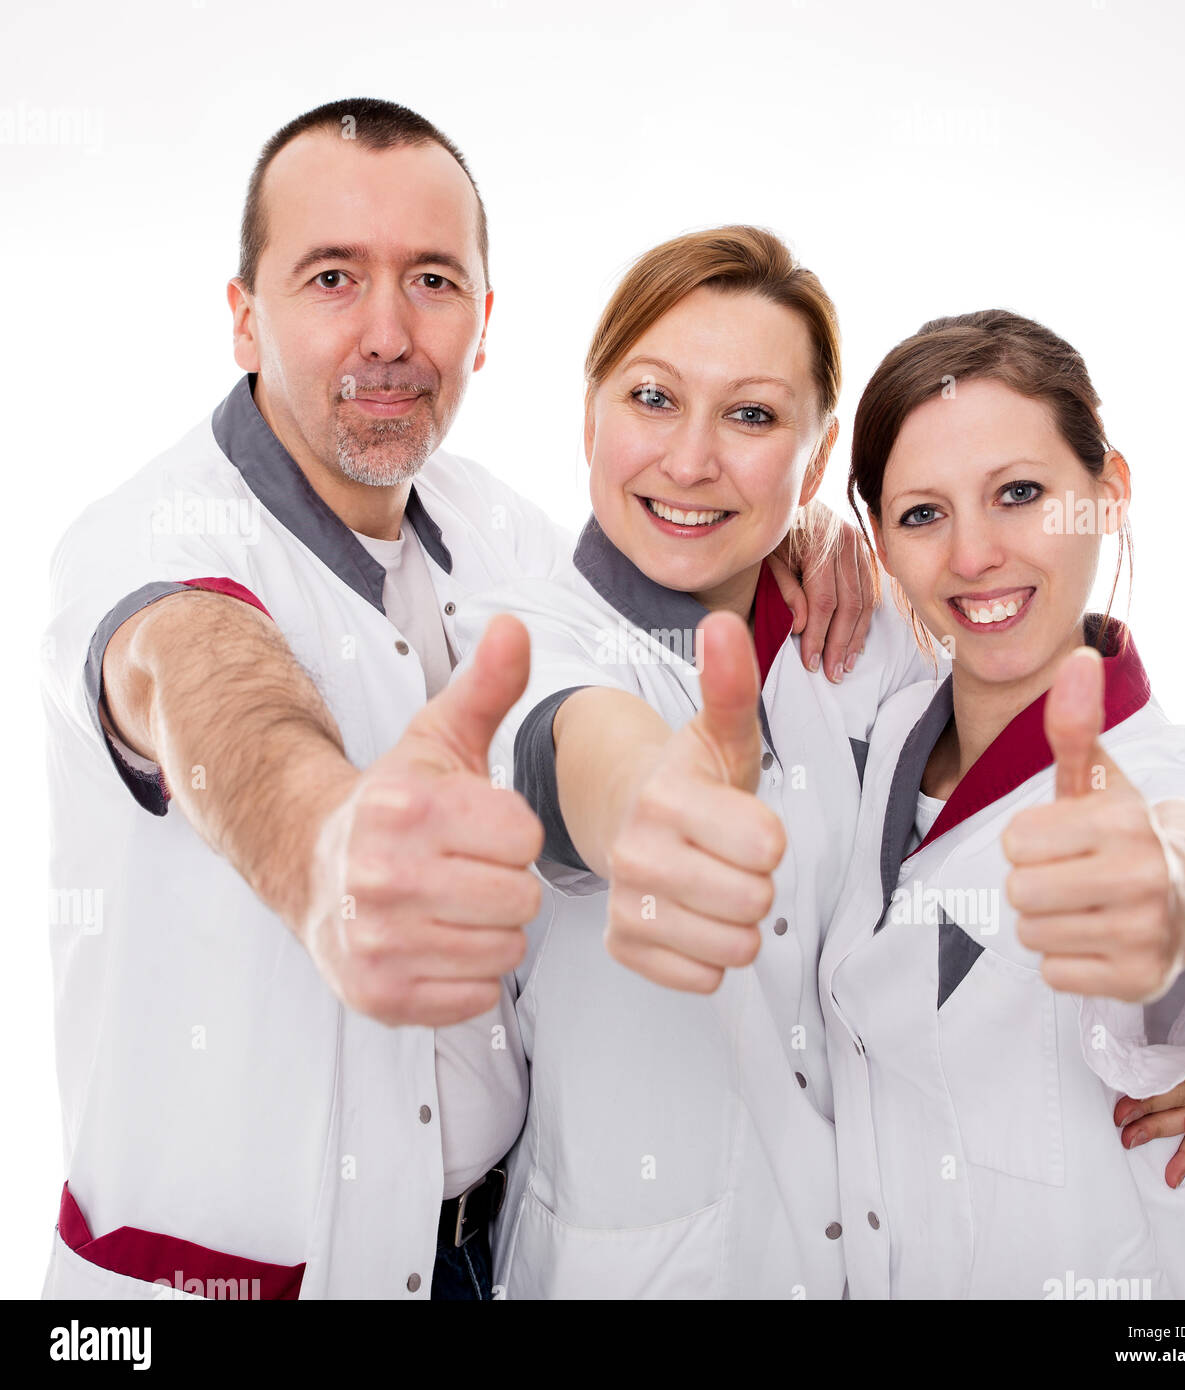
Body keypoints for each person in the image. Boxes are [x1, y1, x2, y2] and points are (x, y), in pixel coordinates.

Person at [39, 99, 872, 1301]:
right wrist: (322, 842)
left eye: (431, 279)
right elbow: (200, 675)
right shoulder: (149, 540)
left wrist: (803, 525)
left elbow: (634, 595)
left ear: (485, 325)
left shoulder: (494, 529)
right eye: (332, 277)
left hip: (481, 1256)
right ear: (242, 319)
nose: (388, 333)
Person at [456, 235, 1185, 1298]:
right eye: (652, 398)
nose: (692, 459)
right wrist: (652, 806)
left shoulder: (875, 660)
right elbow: (571, 749)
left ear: (815, 455)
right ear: (588, 409)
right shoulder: (516, 638)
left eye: (751, 414)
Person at [819, 309, 1185, 1298]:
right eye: (922, 513)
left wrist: (1164, 913)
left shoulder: (1180, 772)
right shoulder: (882, 729)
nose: (974, 554)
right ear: (878, 542)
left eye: (1018, 493)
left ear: (1106, 493)